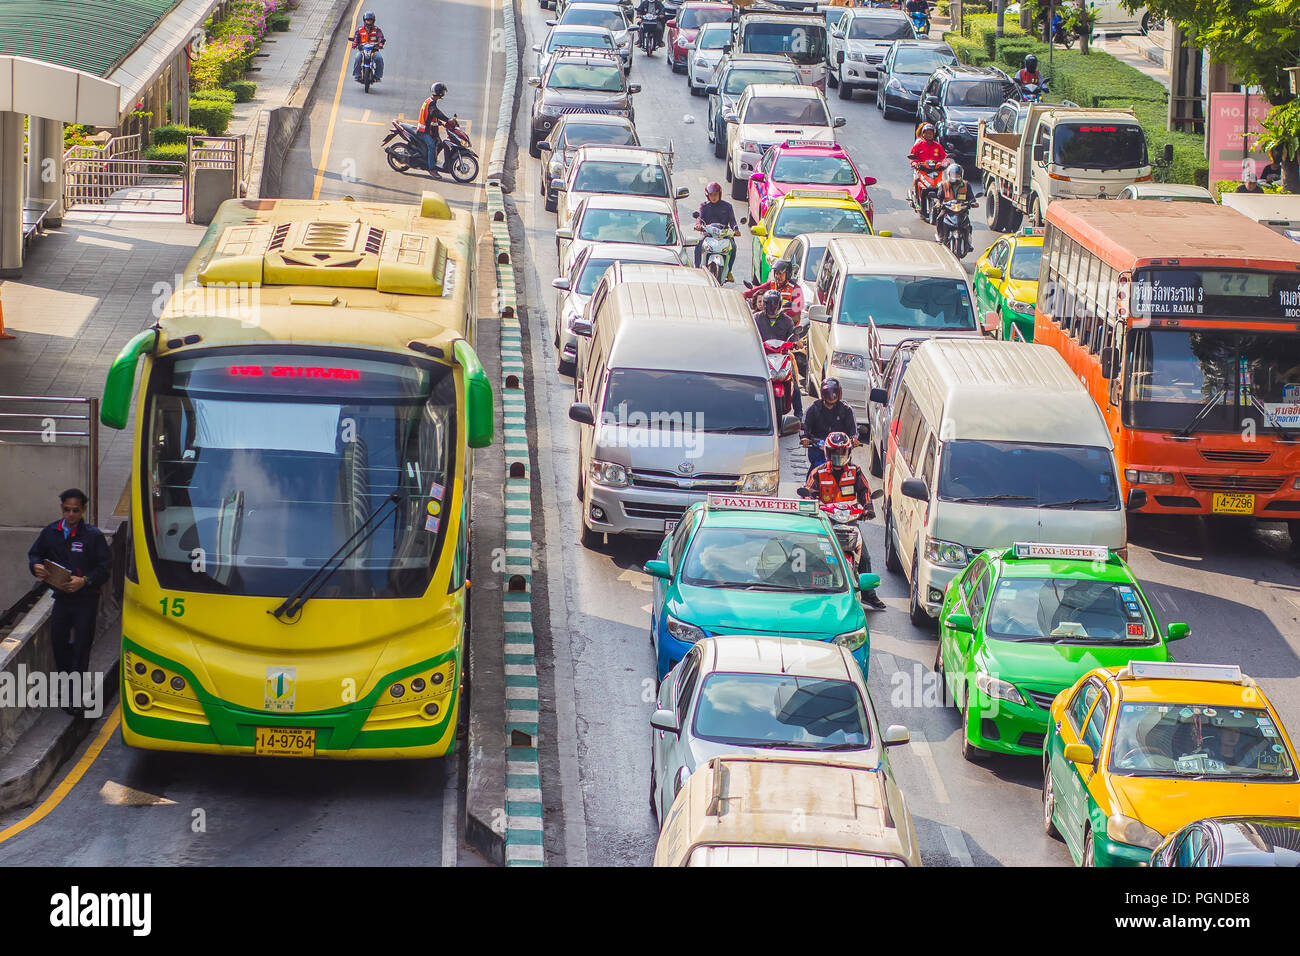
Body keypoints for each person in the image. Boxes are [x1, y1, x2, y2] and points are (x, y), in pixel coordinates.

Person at [27, 489, 112, 712]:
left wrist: (84, 580)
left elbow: (104, 569)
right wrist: (36, 566)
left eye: (75, 510)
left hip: (85, 600)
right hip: (61, 599)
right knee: (59, 644)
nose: (70, 515)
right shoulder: (51, 532)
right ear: (62, 509)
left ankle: (75, 698)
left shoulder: (92, 536)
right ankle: (65, 689)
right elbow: (35, 554)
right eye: (67, 510)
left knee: (82, 648)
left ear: (83, 510)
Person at [802, 432, 887, 610]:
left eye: (842, 452)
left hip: (850, 522)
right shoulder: (818, 473)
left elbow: (865, 492)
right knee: (812, 553)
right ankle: (807, 587)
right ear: (827, 453)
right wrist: (810, 502)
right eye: (834, 452)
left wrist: (868, 508)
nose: (838, 457)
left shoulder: (856, 471)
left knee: (864, 557)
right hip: (826, 522)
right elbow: (808, 491)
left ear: (848, 452)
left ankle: (869, 595)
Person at [753, 290, 803, 416]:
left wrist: (796, 342)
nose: (771, 307)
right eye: (769, 304)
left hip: (782, 356)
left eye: (774, 304)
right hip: (762, 357)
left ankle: (800, 414)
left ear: (779, 305)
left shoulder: (787, 321)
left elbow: (793, 335)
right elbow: (750, 333)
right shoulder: (756, 318)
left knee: (795, 385)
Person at [801, 377, 859, 471]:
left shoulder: (846, 410)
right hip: (818, 449)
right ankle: (809, 485)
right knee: (814, 473)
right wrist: (805, 438)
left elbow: (853, 430)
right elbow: (804, 426)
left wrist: (854, 439)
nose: (832, 397)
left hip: (841, 452)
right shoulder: (813, 409)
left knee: (853, 472)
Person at [694, 182, 738, 278]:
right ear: (707, 195)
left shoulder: (727, 206)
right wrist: (698, 225)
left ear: (720, 194)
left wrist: (736, 229)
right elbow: (699, 218)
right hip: (708, 234)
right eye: (711, 195)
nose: (714, 197)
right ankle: (696, 268)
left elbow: (732, 220)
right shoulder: (704, 206)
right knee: (699, 243)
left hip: (724, 234)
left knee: (733, 247)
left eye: (716, 195)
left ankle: (729, 271)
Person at [908, 123, 948, 208]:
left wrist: (946, 163)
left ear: (934, 134)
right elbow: (912, 157)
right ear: (923, 133)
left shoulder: (938, 146)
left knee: (945, 184)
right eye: (927, 133)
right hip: (922, 170)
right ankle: (917, 201)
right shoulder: (918, 145)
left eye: (931, 133)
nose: (929, 135)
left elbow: (944, 157)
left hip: (935, 171)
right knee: (917, 180)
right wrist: (915, 163)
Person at [417, 82, 452, 175]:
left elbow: (431, 116)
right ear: (439, 93)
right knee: (432, 146)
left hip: (429, 129)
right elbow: (436, 113)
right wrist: (448, 120)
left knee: (440, 144)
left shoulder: (430, 101)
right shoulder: (431, 104)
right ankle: (431, 169)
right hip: (424, 131)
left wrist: (440, 123)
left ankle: (432, 159)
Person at [935, 163, 970, 243]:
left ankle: (968, 240)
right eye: (953, 175)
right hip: (948, 208)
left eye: (957, 175)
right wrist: (939, 203)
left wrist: (973, 203)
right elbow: (939, 197)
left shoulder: (966, 185)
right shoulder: (944, 185)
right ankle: (941, 236)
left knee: (968, 224)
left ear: (961, 175)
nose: (955, 177)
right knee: (939, 218)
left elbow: (971, 197)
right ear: (949, 175)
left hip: (962, 209)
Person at [350, 11, 386, 83]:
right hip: (363, 50)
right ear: (364, 21)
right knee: (357, 57)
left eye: (370, 20)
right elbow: (356, 38)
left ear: (373, 21)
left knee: (379, 58)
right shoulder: (360, 30)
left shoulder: (377, 30)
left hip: (373, 50)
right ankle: (357, 75)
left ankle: (377, 76)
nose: (369, 22)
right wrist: (355, 44)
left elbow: (380, 37)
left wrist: (380, 43)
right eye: (367, 20)